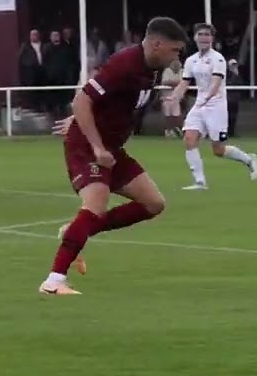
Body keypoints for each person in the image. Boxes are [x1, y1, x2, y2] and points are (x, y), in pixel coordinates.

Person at [40, 17, 188, 295]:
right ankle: (54, 280)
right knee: (96, 202)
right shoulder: (124, 65)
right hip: (89, 146)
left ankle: (77, 231)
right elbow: (82, 99)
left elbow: (107, 102)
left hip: (112, 148)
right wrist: (96, 146)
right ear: (157, 44)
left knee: (153, 203)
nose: (177, 56)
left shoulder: (150, 67)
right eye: (175, 50)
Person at [168, 23, 257, 190]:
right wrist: (175, 96)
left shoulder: (218, 59)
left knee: (218, 149)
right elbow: (185, 82)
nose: (204, 37)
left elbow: (216, 83)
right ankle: (200, 182)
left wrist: (207, 97)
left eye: (207, 35)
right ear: (195, 37)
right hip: (200, 105)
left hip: (216, 107)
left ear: (212, 38)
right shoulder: (191, 60)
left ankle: (248, 159)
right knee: (189, 139)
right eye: (200, 34)